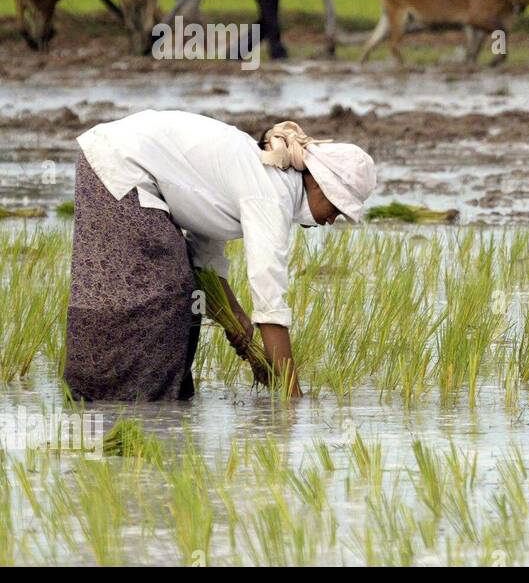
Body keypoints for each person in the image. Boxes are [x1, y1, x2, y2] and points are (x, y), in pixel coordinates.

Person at [64, 111, 377, 402]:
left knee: (183, 289)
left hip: (115, 158)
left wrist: (235, 320)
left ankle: (157, 401)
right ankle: (123, 397)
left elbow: (205, 258)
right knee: (164, 289)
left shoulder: (266, 179)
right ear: (319, 185)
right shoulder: (271, 194)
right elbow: (270, 301)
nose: (332, 220)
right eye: (337, 209)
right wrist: (292, 400)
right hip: (116, 162)